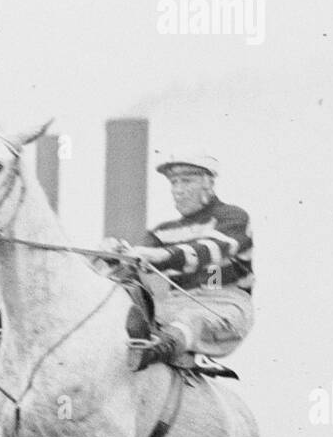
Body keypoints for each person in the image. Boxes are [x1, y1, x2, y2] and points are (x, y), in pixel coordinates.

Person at [108, 150, 254, 372]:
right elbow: (133, 264)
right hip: (171, 307)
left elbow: (213, 250)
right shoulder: (162, 231)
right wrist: (114, 258)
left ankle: (153, 350)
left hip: (221, 305)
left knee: (190, 319)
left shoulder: (233, 217)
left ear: (208, 182)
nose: (178, 190)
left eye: (186, 181)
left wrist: (165, 255)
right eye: (173, 183)